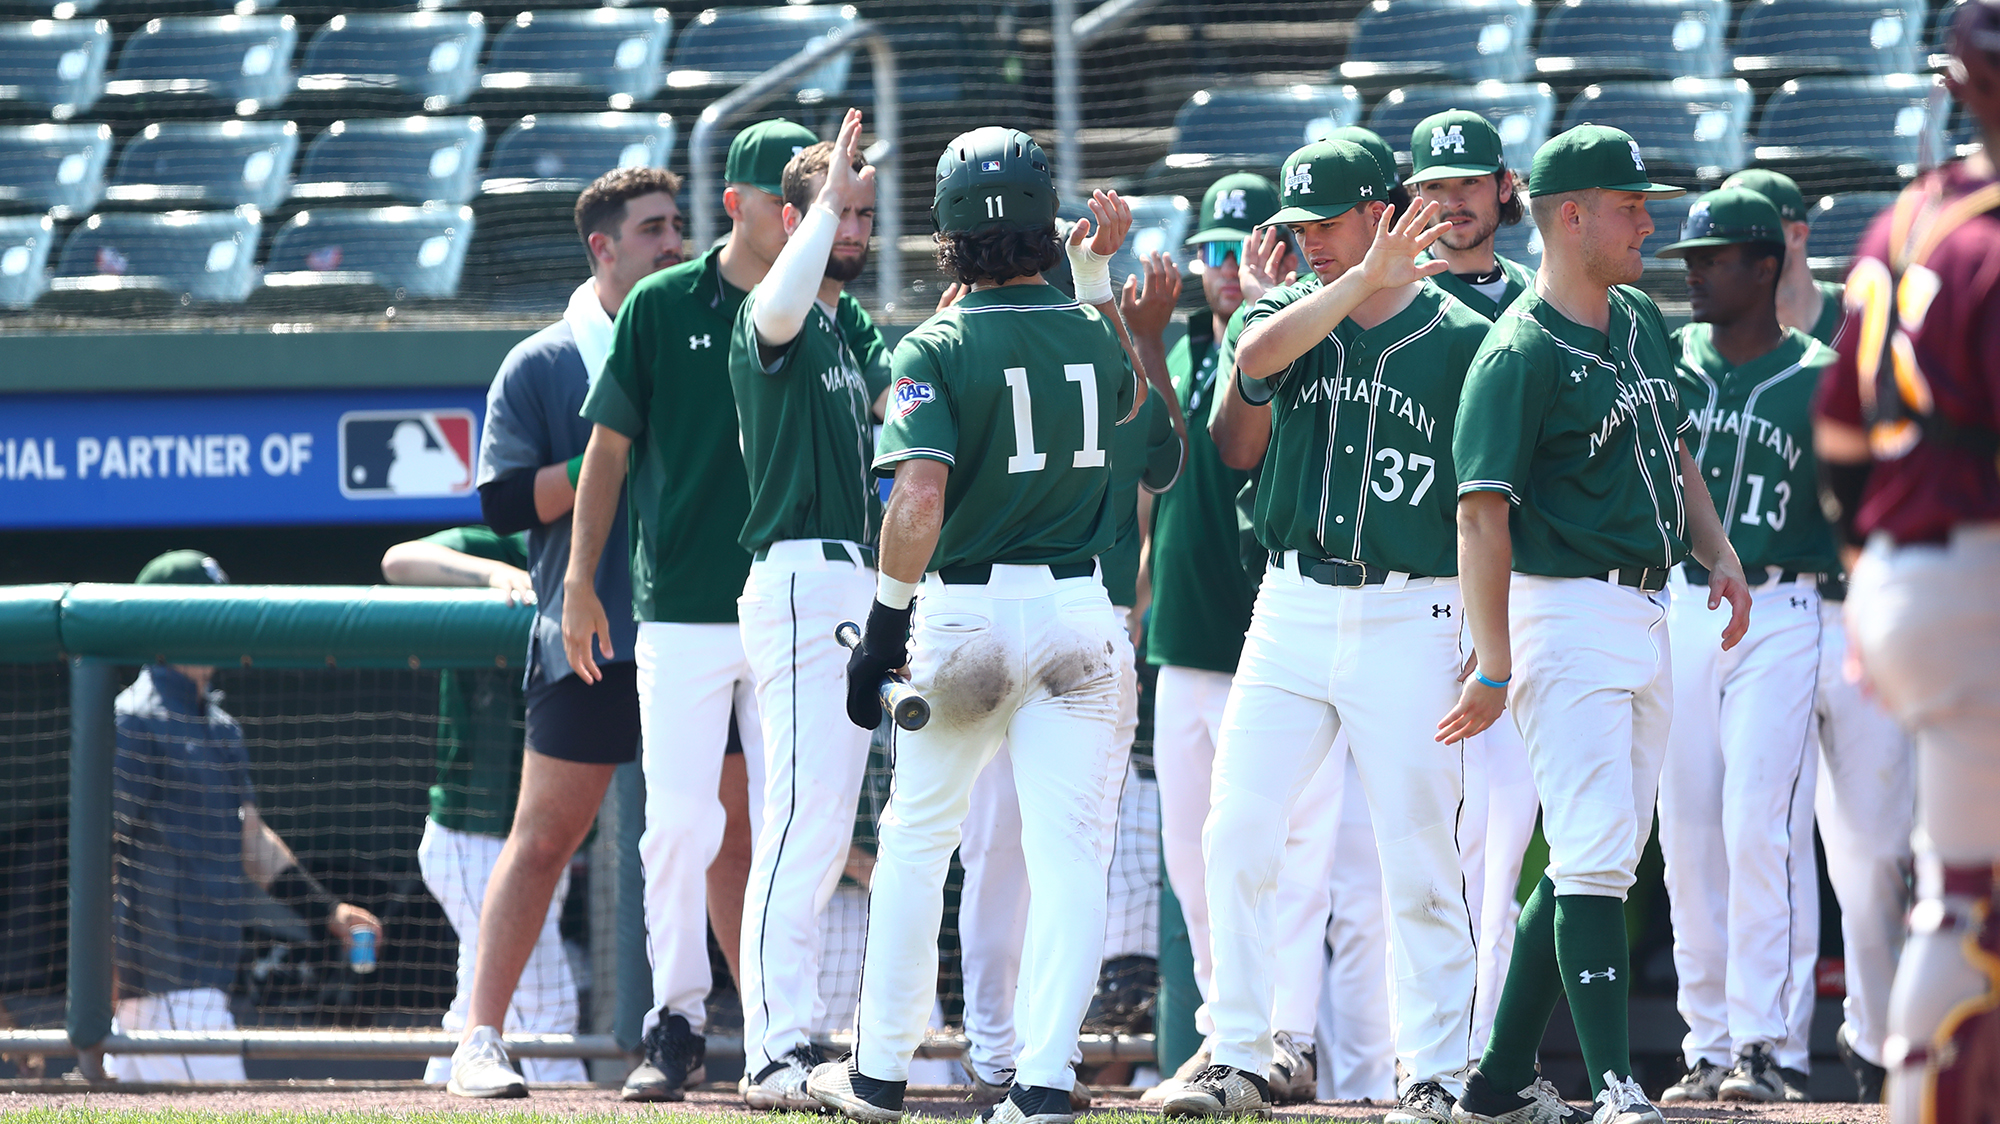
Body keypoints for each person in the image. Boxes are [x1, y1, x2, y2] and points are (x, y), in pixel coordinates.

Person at [809, 129, 1166, 1124]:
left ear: (949, 236)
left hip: (966, 616)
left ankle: (878, 1072)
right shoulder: (1100, 332)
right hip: (1077, 616)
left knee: (921, 840)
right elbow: (1156, 444)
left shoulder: (935, 344)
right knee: (1072, 852)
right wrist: (1095, 274)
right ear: (1042, 225)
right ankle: (1043, 1081)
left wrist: (883, 626)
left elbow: (916, 496)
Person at [1178, 138, 1493, 1124]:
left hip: (1413, 605)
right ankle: (1235, 1048)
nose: (1306, 241)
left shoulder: (1458, 332)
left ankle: (1436, 1066)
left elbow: (1490, 498)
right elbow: (1252, 363)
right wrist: (1355, 276)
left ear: (1381, 208)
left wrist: (1486, 635)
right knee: (1235, 828)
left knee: (1416, 850)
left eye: (1327, 222)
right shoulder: (1287, 310)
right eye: (1298, 226)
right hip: (1290, 599)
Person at [1444, 124, 1752, 1124]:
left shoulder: (1634, 320)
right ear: (1566, 213)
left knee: (1604, 854)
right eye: (1628, 205)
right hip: (1558, 604)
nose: (1646, 221)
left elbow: (1672, 452)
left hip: (1645, 603)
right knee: (1588, 848)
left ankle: (1494, 1084)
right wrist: (1490, 663)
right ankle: (1616, 1081)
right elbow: (1478, 515)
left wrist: (1716, 547)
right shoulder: (1516, 351)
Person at [564, 117, 818, 1102]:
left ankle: (783, 1030)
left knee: (795, 824)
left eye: (813, 198)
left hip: (796, 605)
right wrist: (581, 580)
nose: (798, 216)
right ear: (741, 203)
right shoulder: (665, 302)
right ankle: (674, 1018)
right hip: (681, 605)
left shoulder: (832, 310)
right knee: (674, 825)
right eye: (783, 197)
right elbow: (607, 449)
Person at [445, 165, 679, 1099]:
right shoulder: (540, 362)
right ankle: (477, 1039)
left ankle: (786, 1046)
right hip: (586, 639)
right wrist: (609, 445)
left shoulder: (703, 341)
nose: (674, 243)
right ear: (604, 247)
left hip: (699, 638)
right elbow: (504, 503)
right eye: (655, 229)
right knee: (542, 840)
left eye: (676, 227)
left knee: (726, 843)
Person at [1812, 4, 2000, 1119]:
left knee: (1958, 886)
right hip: (1975, 568)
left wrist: (1867, 585)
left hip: (1895, 572)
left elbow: (1836, 442)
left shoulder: (1903, 223)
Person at [954, 247, 1183, 1107]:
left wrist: (1139, 336)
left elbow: (1163, 461)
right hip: (1056, 630)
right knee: (1024, 854)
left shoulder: (1092, 353)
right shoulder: (1061, 350)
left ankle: (1017, 1052)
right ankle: (1012, 1053)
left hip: (1060, 629)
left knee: (1027, 855)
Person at [1143, 170, 1338, 1106]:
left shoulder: (1312, 344)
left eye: (1251, 248)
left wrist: (1268, 319)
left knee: (1294, 863)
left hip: (1282, 639)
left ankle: (1287, 1037)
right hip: (1183, 638)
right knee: (1196, 861)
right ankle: (1233, 1033)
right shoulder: (1183, 350)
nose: (1231, 269)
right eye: (1215, 253)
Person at [1722, 165, 1916, 1103]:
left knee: (1874, 851)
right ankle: (1775, 1048)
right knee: (1770, 831)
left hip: (1859, 610)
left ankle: (1878, 1041)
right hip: (1774, 611)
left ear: (1792, 240)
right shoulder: (1720, 348)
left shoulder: (1860, 318)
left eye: (1777, 231)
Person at [724, 110, 901, 1110]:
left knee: (826, 827)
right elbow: (775, 302)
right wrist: (821, 199)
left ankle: (796, 1036)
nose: (856, 228)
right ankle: (770, 1051)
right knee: (797, 823)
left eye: (866, 213)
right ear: (795, 216)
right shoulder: (773, 311)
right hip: (795, 573)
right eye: (840, 210)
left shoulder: (841, 328)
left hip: (844, 575)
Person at [1648, 188, 1837, 1105]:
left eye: (1713, 257)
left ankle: (1764, 1042)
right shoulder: (1669, 361)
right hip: (1681, 609)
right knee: (1685, 838)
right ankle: (1708, 1045)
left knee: (1755, 828)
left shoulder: (1822, 375)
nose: (1692, 271)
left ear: (1766, 267)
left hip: (1783, 609)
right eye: (1688, 256)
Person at [107, 550, 382, 1084]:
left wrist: (327, 910)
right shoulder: (133, 720)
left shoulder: (219, 727)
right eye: (209, 612)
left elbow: (251, 842)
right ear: (171, 620)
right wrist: (104, 976)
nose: (222, 625)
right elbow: (101, 852)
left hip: (205, 982)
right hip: (161, 986)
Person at [1402, 106, 1542, 1056]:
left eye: (1466, 183)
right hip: (1409, 592)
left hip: (1525, 591)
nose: (1449, 201)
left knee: (1498, 842)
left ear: (1502, 189)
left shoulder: (1543, 300)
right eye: (1432, 186)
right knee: (1410, 838)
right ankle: (1408, 1054)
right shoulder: (1385, 299)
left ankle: (1481, 1056)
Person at [379, 527, 588, 1088]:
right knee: (547, 1008)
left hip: (536, 835)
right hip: (476, 838)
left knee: (474, 1005)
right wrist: (491, 575)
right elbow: (398, 559)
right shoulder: (498, 545)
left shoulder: (605, 554)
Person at [1715, 168, 1847, 347]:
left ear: (1797, 235)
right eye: (1724, 232)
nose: (1732, 246)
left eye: (1751, 230)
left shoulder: (1862, 312)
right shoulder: (1718, 338)